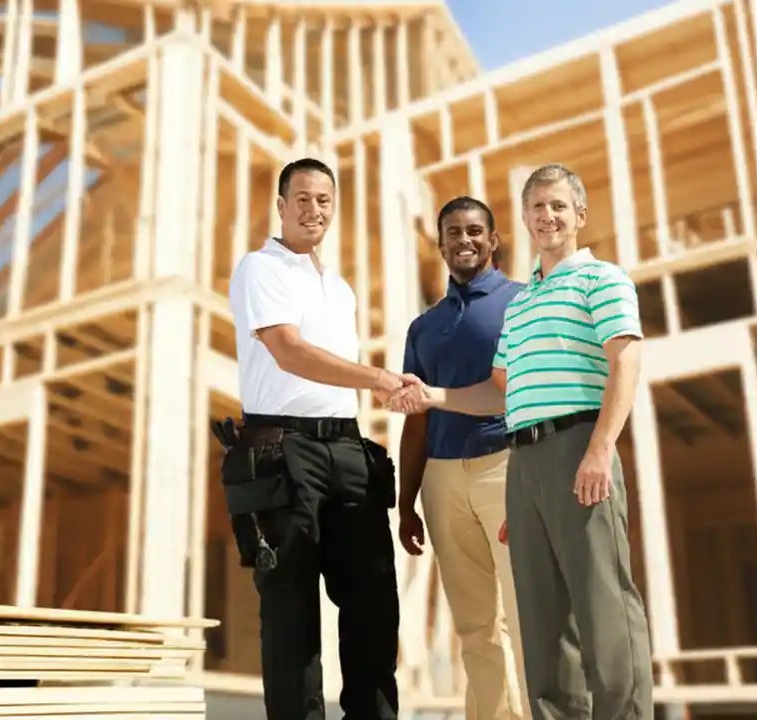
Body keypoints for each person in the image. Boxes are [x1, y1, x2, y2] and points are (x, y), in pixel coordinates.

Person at [388, 164, 655, 720]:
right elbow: (498, 390)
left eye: (558, 206)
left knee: (603, 604)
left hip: (577, 445)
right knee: (541, 619)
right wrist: (434, 398)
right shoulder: (526, 304)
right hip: (525, 459)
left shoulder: (602, 278)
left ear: (579, 215)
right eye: (537, 207)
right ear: (526, 221)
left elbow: (625, 361)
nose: (547, 216)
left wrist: (601, 448)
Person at [221, 157, 411, 720]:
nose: (313, 210)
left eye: (324, 199)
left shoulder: (340, 287)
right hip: (282, 452)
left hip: (347, 447)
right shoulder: (259, 268)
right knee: (291, 617)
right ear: (281, 207)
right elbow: (288, 349)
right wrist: (377, 378)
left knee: (374, 606)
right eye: (301, 198)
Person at [397, 196, 529, 720]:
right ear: (441, 245)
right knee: (474, 624)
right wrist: (407, 502)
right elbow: (416, 418)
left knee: (526, 611)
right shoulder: (422, 328)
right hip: (442, 479)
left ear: (493, 240)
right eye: (453, 232)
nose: (464, 240)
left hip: (506, 465)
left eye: (475, 231)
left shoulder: (524, 301)